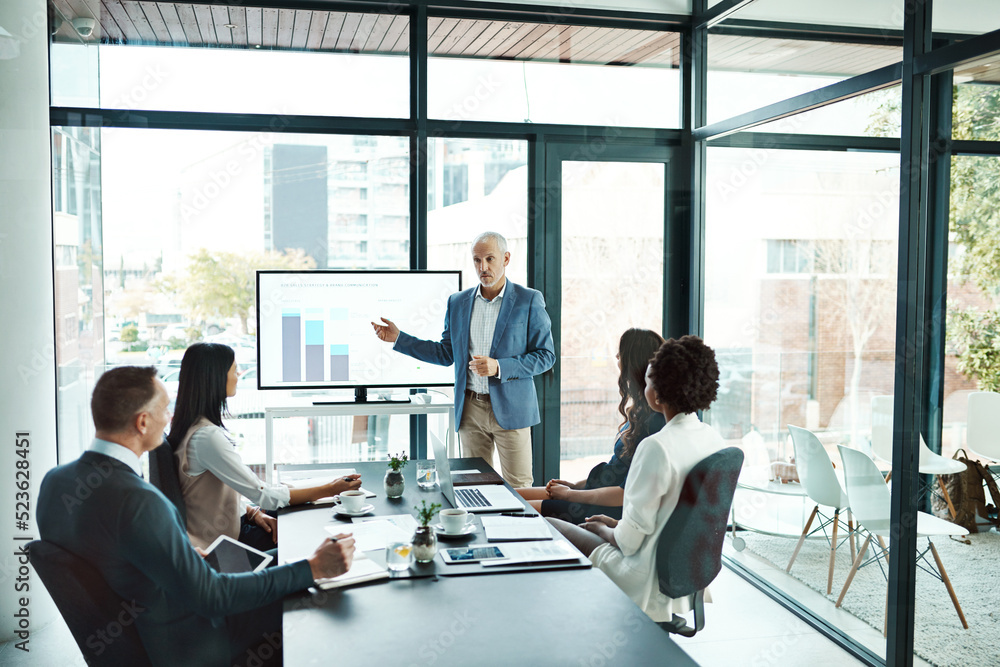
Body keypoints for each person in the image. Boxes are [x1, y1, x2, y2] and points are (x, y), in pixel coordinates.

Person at [37, 366, 356, 667]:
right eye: (164, 409)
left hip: (144, 629)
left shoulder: (55, 482)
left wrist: (174, 553)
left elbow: (108, 552)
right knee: (311, 589)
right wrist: (314, 567)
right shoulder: (140, 501)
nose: (170, 417)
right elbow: (213, 597)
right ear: (143, 422)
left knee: (283, 560)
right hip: (189, 642)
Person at [547, 335, 724, 622]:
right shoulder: (712, 439)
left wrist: (605, 531)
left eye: (649, 378)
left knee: (550, 525)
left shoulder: (656, 446)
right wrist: (615, 523)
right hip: (683, 575)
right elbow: (669, 518)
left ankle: (562, 619)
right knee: (586, 526)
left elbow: (628, 544)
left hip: (642, 575)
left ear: (658, 391)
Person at [372, 231, 555, 488]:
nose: (483, 267)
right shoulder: (457, 302)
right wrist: (399, 339)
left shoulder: (528, 300)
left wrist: (499, 366)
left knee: (520, 487)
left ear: (506, 258)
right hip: (470, 410)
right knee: (476, 486)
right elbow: (445, 353)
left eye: (490, 259)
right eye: (477, 260)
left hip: (513, 410)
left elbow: (546, 356)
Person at [167, 342, 362, 551]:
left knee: (298, 516)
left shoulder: (192, 427)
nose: (238, 375)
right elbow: (265, 496)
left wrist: (252, 513)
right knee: (312, 535)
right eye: (234, 369)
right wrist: (331, 489)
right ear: (216, 377)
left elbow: (230, 492)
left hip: (234, 526)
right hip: (225, 545)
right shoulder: (206, 437)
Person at [517, 328, 666, 521]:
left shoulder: (654, 423)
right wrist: (575, 485)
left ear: (633, 362)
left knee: (517, 509)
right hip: (592, 495)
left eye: (620, 354)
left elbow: (624, 493)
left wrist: (570, 495)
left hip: (607, 507)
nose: (616, 357)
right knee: (511, 494)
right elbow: (615, 471)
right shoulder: (640, 410)